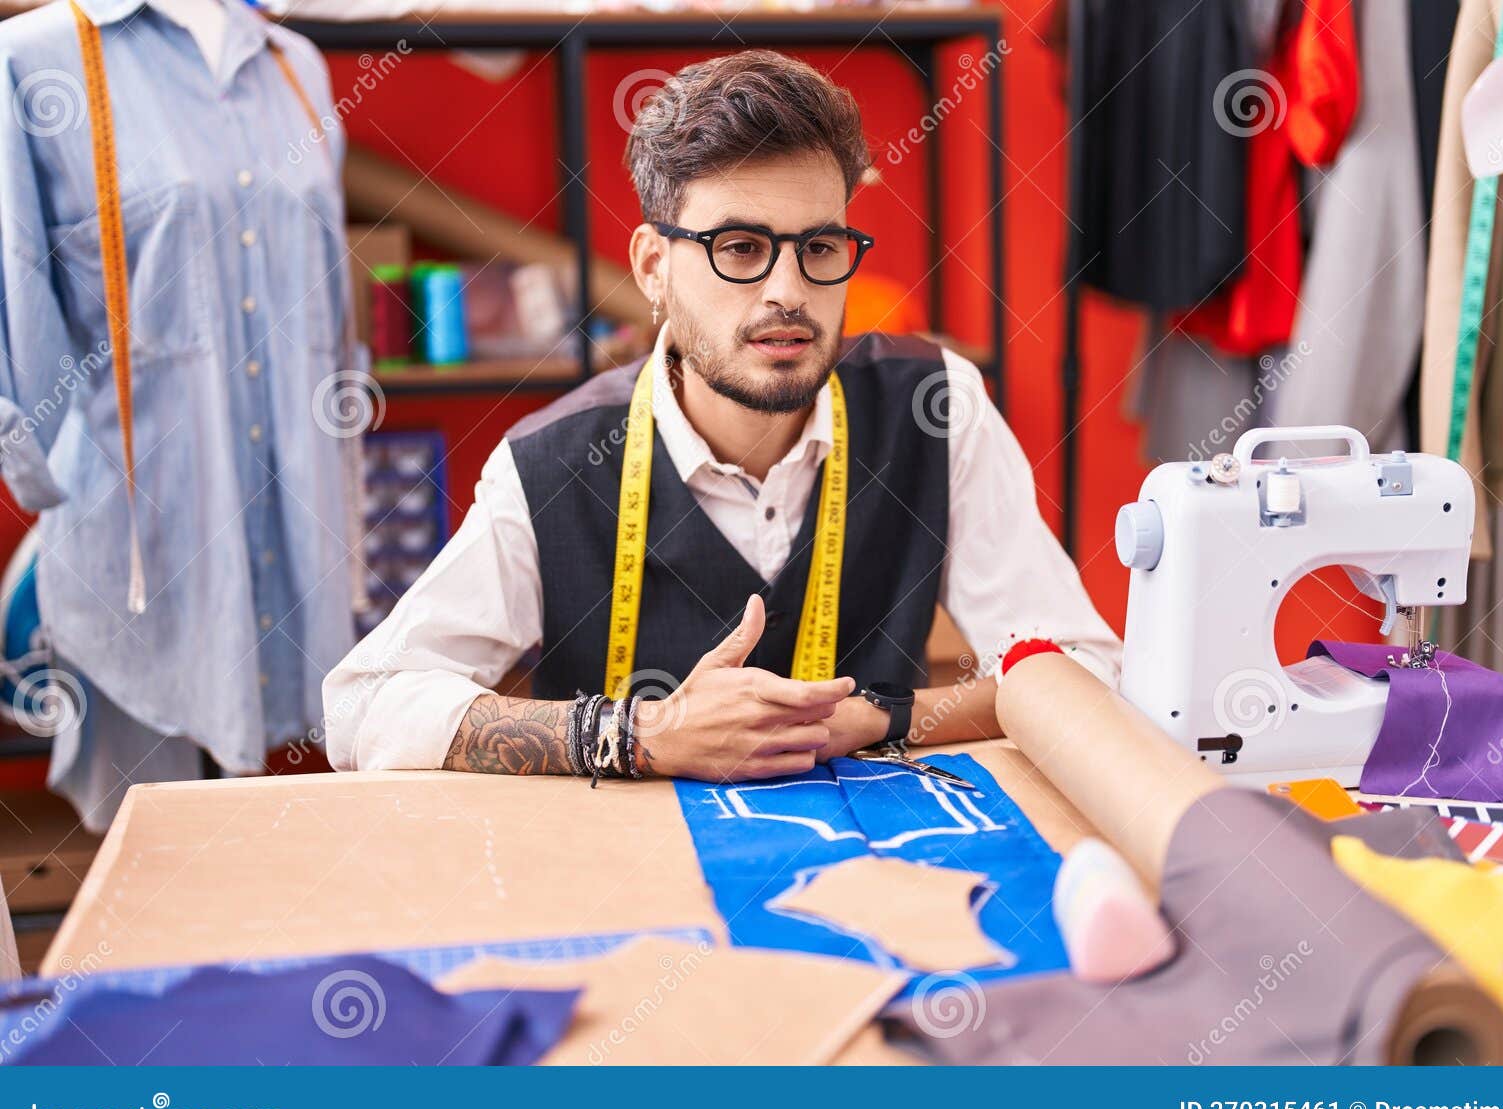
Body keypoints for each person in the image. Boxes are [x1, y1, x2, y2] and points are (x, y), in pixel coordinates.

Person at [323, 49, 1120, 782]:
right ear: (651, 267)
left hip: (872, 880)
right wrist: (638, 735)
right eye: (739, 248)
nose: (787, 291)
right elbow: (361, 709)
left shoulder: (934, 408)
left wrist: (872, 719)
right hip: (625, 887)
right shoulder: (552, 464)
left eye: (820, 247)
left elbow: (1083, 668)